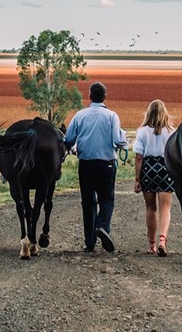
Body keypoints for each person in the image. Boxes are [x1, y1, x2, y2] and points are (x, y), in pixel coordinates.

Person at [64, 81, 128, 253]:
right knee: (107, 199)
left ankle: (89, 242)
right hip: (106, 164)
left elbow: (68, 139)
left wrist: (73, 147)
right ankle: (102, 226)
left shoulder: (79, 115)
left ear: (90, 96)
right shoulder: (112, 116)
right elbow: (118, 140)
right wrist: (125, 140)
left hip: (86, 164)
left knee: (87, 202)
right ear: (105, 97)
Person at [132, 99, 175, 256]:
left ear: (148, 113)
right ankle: (163, 240)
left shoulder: (142, 131)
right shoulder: (171, 131)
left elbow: (138, 157)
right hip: (166, 169)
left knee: (151, 208)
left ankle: (152, 245)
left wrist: (137, 179)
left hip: (148, 170)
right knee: (165, 208)